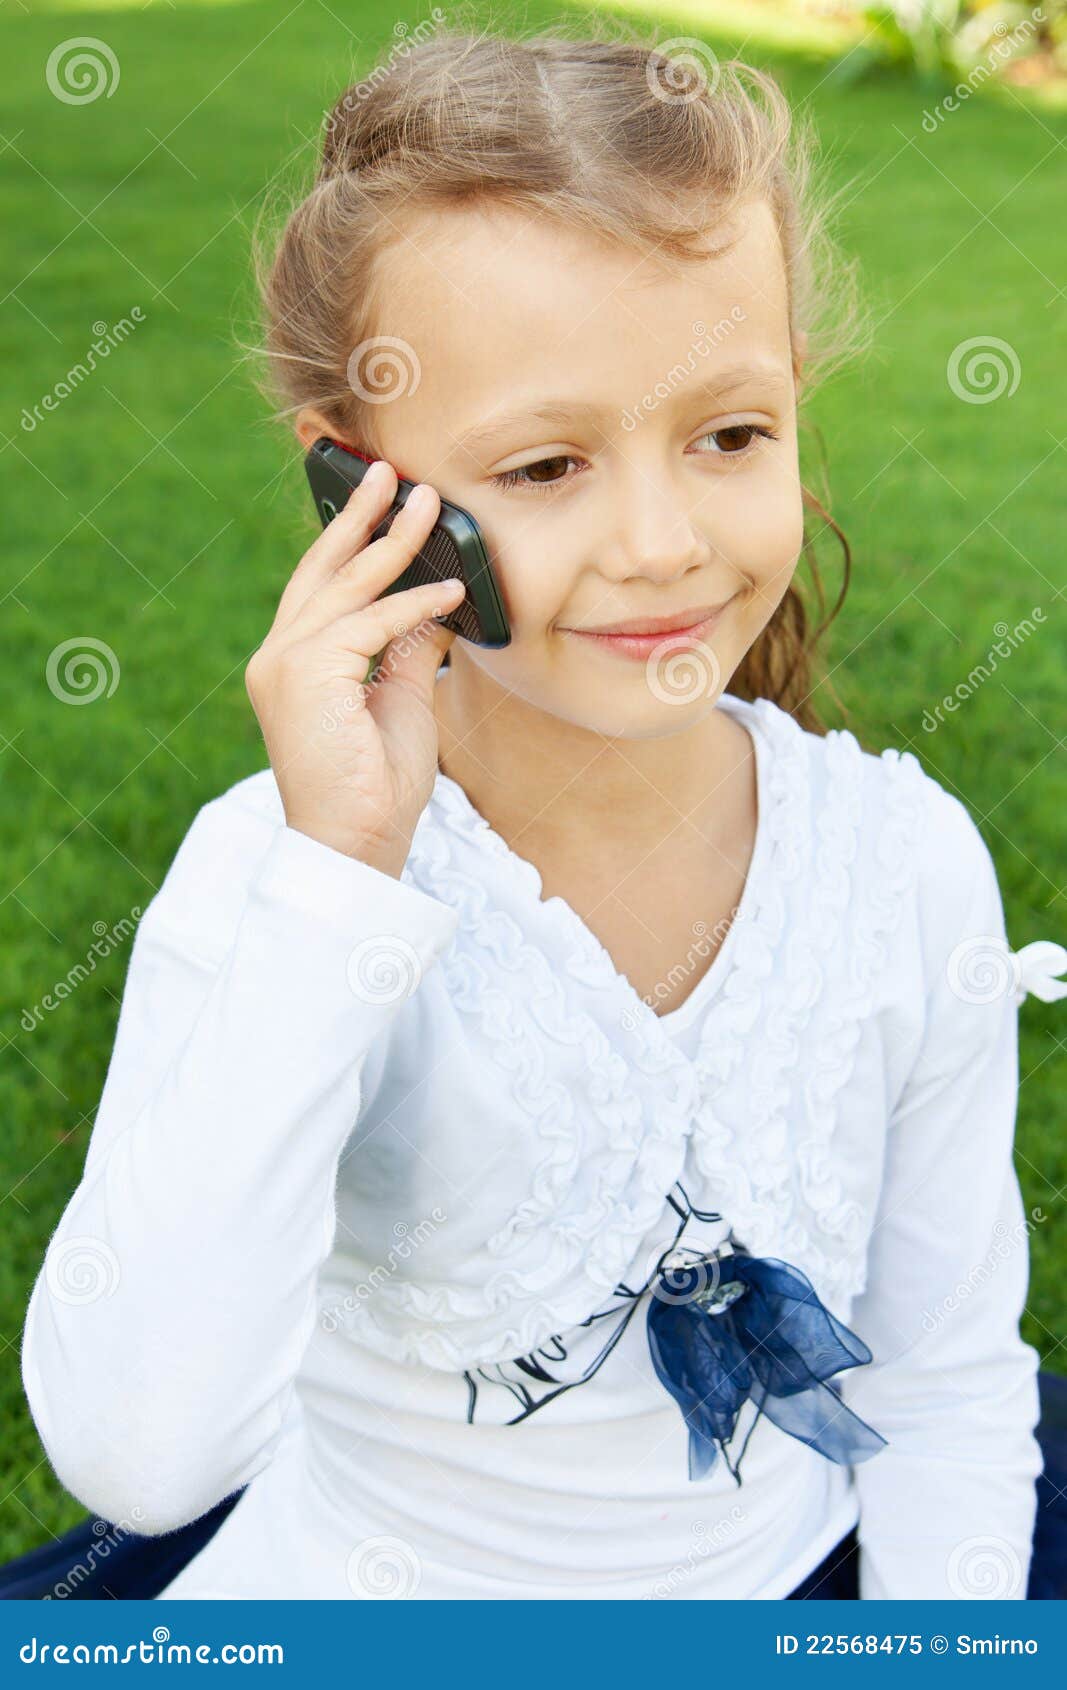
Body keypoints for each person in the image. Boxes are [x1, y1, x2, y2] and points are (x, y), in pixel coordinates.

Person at [9, 24, 1067, 1602]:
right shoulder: (281, 877)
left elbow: (944, 1381)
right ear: (360, 490)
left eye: (729, 435)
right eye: (550, 462)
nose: (661, 541)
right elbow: (142, 1455)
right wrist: (337, 887)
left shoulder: (901, 864)